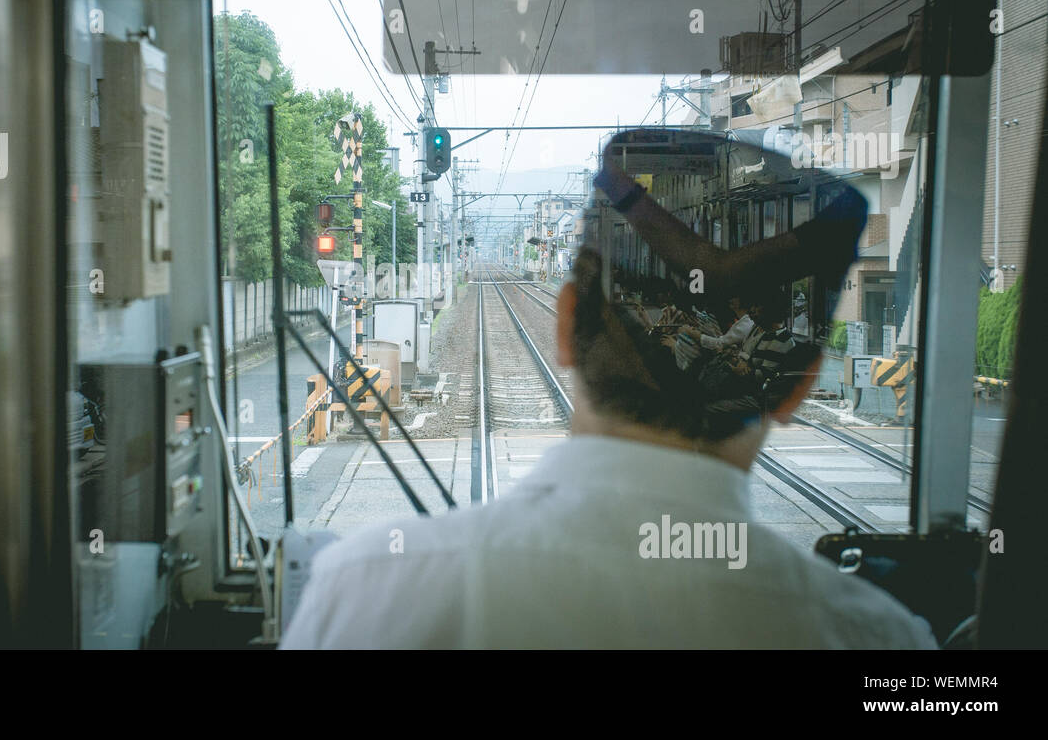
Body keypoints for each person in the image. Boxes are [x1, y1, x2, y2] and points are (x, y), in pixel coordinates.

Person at [279, 133, 936, 650]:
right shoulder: (882, 639)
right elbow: (719, 270)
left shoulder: (360, 596)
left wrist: (624, 193)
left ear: (566, 326)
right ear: (798, 388)